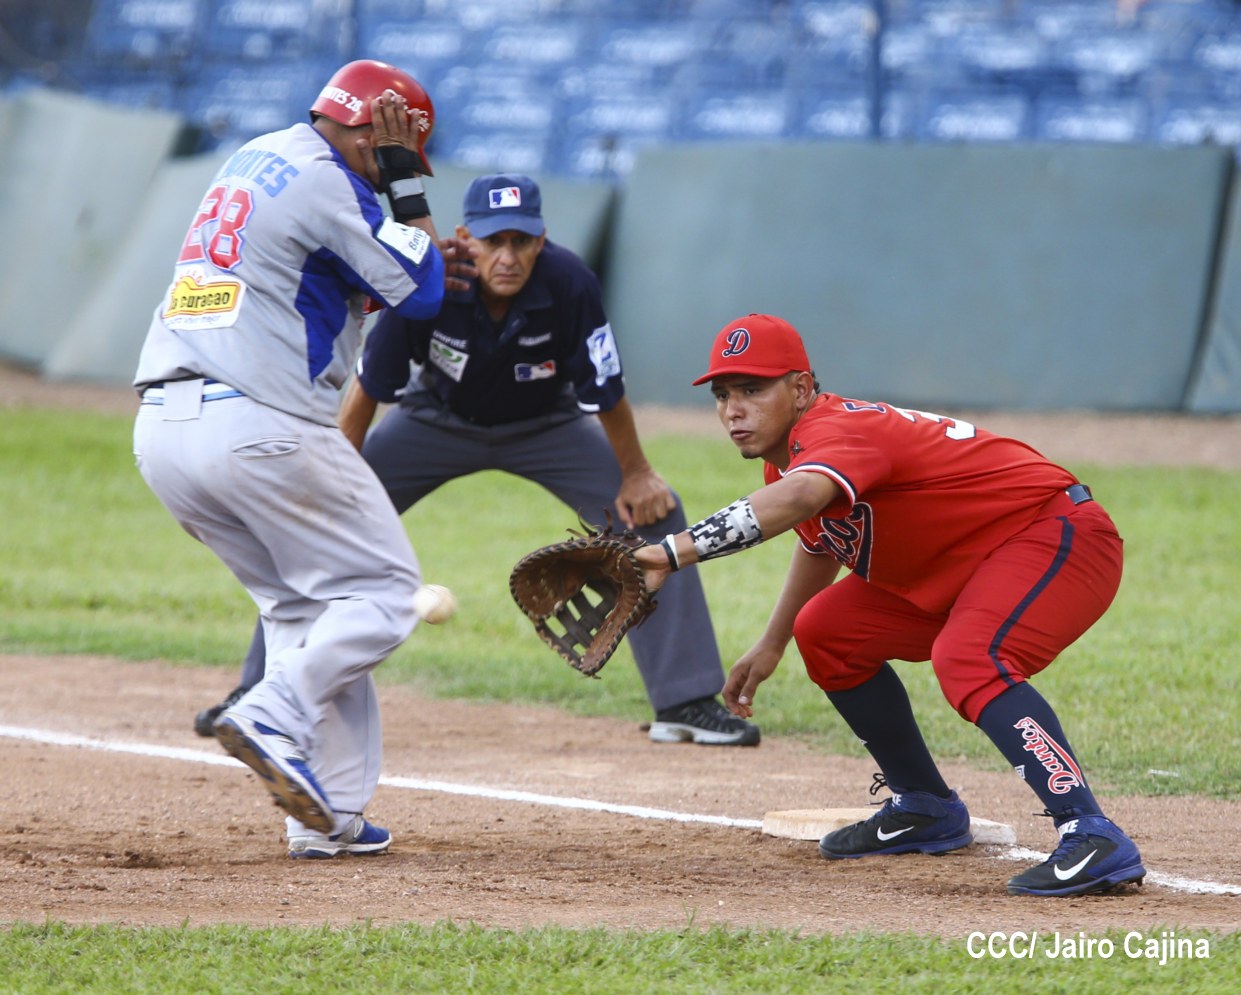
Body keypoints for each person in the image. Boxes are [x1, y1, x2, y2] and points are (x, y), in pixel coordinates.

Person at [193, 173, 760, 748]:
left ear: (541, 241)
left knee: (655, 514)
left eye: (521, 241)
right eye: (493, 241)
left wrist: (637, 474)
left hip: (547, 423)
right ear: (466, 238)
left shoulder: (569, 282)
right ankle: (260, 691)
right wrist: (332, 475)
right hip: (433, 420)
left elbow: (605, 389)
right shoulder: (428, 279)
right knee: (318, 523)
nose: (507, 256)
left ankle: (685, 701)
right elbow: (370, 387)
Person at [632, 313, 1146, 897]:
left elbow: (799, 498)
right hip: (966, 561)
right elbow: (821, 539)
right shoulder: (790, 458)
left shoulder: (837, 430)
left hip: (1054, 534)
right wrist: (775, 640)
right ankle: (924, 805)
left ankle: (1090, 831)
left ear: (801, 389)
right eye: (723, 395)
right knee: (826, 631)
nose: (733, 409)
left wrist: (669, 553)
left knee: (969, 657)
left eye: (752, 389)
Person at [134, 59, 467, 859]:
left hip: (166, 430)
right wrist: (404, 188)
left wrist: (400, 247)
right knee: (384, 593)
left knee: (300, 610)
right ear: (380, 135)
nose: (390, 171)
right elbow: (422, 294)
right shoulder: (329, 179)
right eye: (394, 152)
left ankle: (329, 816)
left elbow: (323, 275)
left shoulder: (255, 155)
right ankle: (269, 711)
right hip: (260, 423)